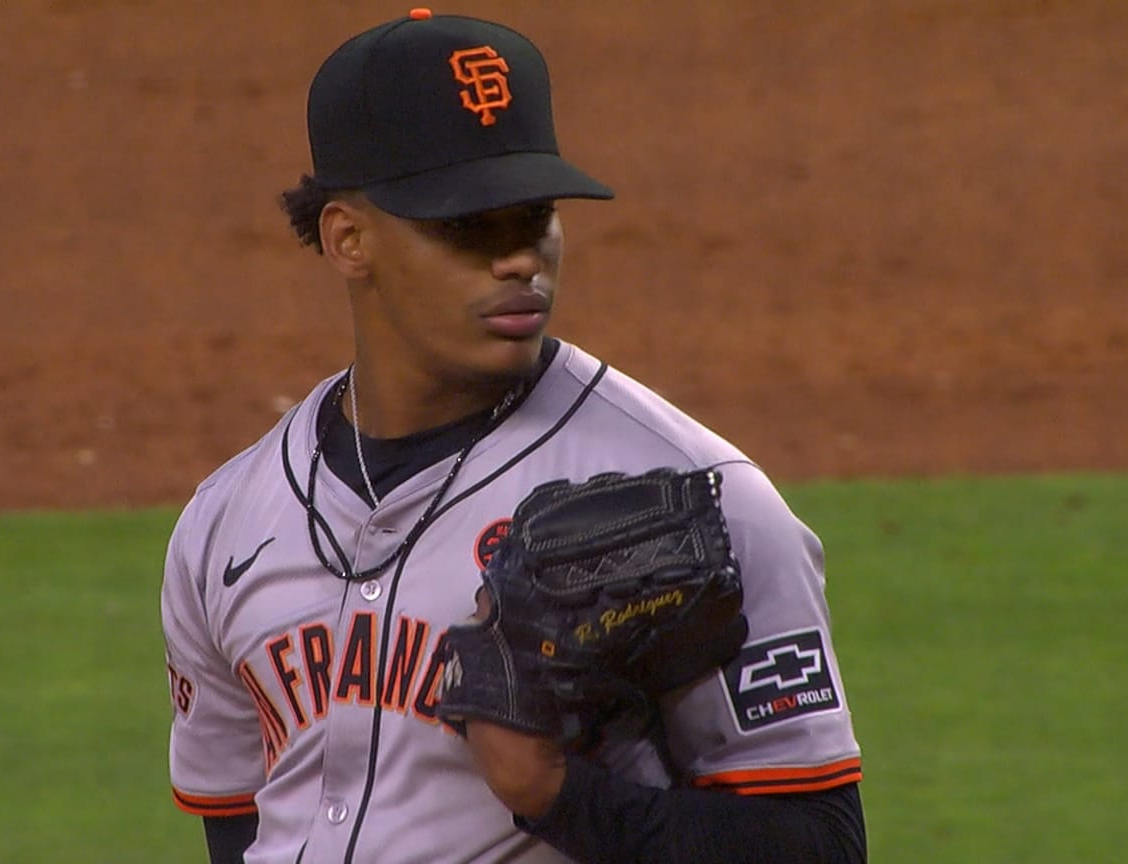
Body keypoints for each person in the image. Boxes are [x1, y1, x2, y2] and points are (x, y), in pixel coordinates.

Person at [161, 9, 866, 863]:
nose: (518, 261)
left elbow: (820, 845)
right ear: (349, 238)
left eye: (532, 218)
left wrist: (557, 797)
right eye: (467, 226)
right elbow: (240, 820)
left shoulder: (699, 497)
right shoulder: (226, 522)